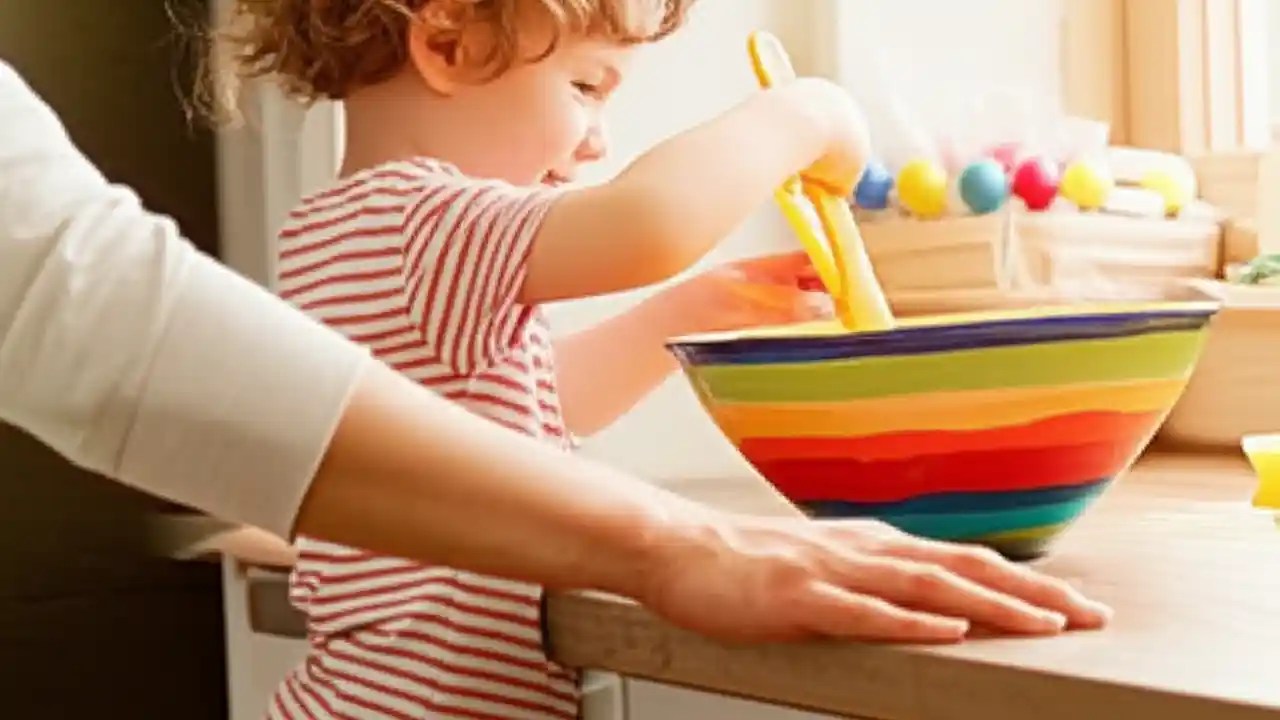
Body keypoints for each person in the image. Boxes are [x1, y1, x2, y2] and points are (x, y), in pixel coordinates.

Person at [0, 15, 1106, 717]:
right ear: (446, 44)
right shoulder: (422, 217)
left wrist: (682, 315)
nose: (592, 142)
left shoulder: (334, 225)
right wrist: (805, 112)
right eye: (586, 88)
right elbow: (649, 219)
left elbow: (505, 426)